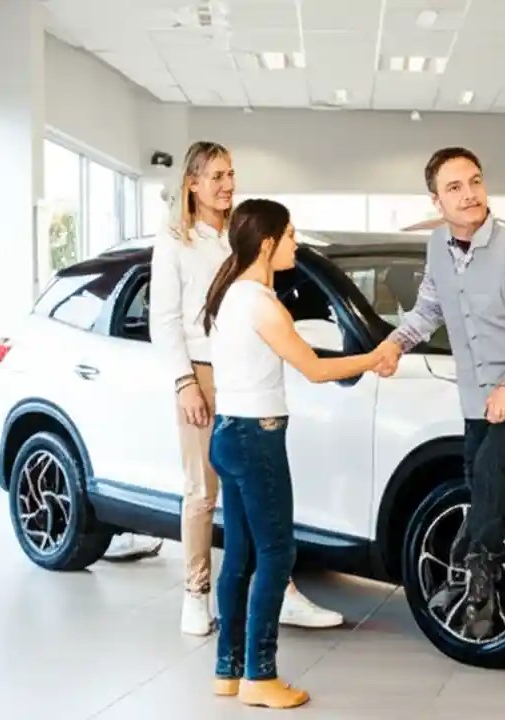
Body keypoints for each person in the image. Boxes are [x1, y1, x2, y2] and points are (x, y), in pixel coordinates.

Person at [377, 147, 505, 640]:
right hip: (480, 388)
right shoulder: (436, 247)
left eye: (475, 181)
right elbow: (429, 309)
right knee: (475, 476)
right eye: (454, 187)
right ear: (436, 200)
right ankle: (464, 574)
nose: (469, 195)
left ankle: (477, 588)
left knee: (492, 466)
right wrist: (395, 343)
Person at [149, 141, 344, 636]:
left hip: (243, 372)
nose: (227, 184)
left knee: (255, 490)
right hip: (200, 371)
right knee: (202, 491)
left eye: (231, 174)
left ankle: (279, 590)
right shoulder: (175, 241)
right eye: (215, 176)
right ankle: (195, 592)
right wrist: (184, 383)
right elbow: (164, 321)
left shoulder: (242, 234)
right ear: (191, 182)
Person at [202, 199, 391, 708]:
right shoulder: (261, 303)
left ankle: (229, 668)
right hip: (255, 438)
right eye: (290, 236)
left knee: (240, 555)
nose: (296, 245)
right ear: (267, 243)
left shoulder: (229, 295)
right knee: (276, 553)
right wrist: (374, 357)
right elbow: (313, 367)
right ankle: (260, 676)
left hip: (228, 435)